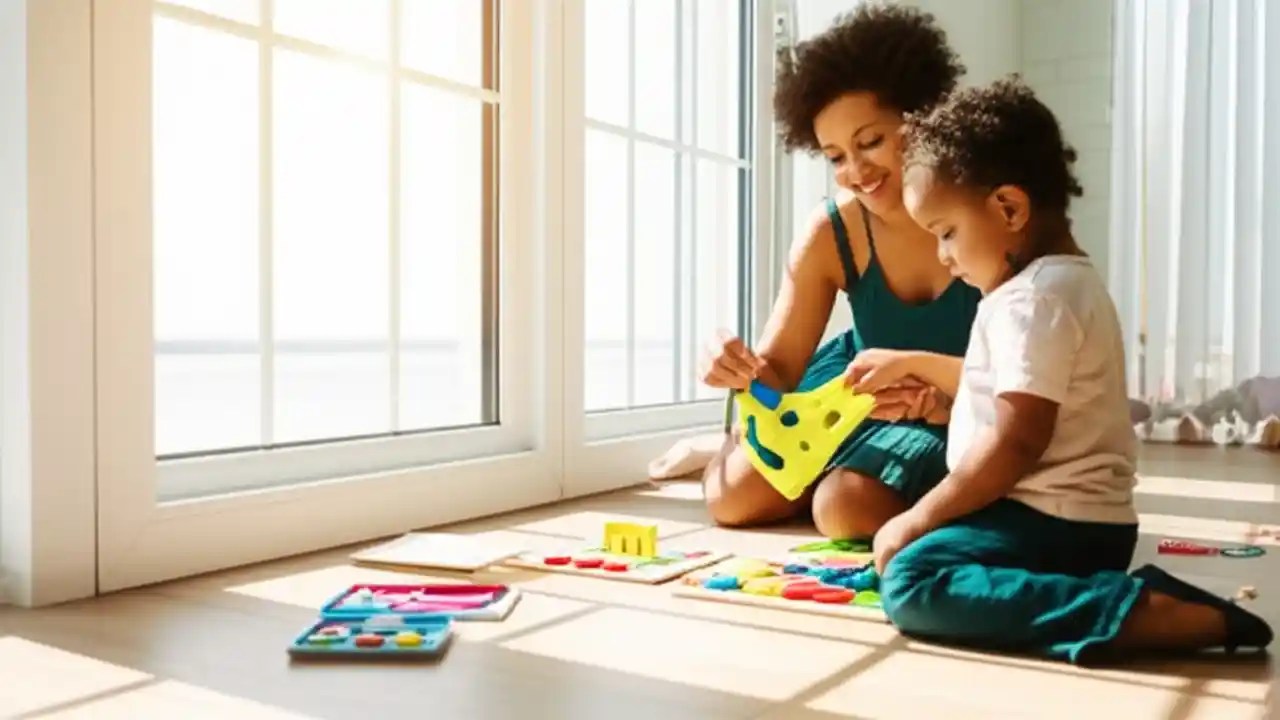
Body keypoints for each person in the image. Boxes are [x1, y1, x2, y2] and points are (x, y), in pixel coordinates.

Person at [868, 76, 1272, 662]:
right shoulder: (1061, 283)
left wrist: (917, 516)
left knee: (910, 582)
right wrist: (946, 407)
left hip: (1051, 524)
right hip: (1079, 524)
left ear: (1008, 207)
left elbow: (1018, 439)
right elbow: (1033, 413)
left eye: (947, 232)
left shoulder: (1032, 298)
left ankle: (1128, 612)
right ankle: (1117, 597)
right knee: (916, 551)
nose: (944, 255)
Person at [699, 3, 982, 540]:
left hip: (953, 406)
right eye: (835, 156)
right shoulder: (833, 233)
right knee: (731, 500)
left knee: (844, 508)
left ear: (920, 117)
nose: (855, 171)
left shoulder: (982, 212)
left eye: (871, 142)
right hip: (855, 391)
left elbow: (1026, 369)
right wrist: (731, 365)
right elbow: (777, 374)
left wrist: (942, 398)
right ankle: (778, 459)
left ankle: (848, 475)